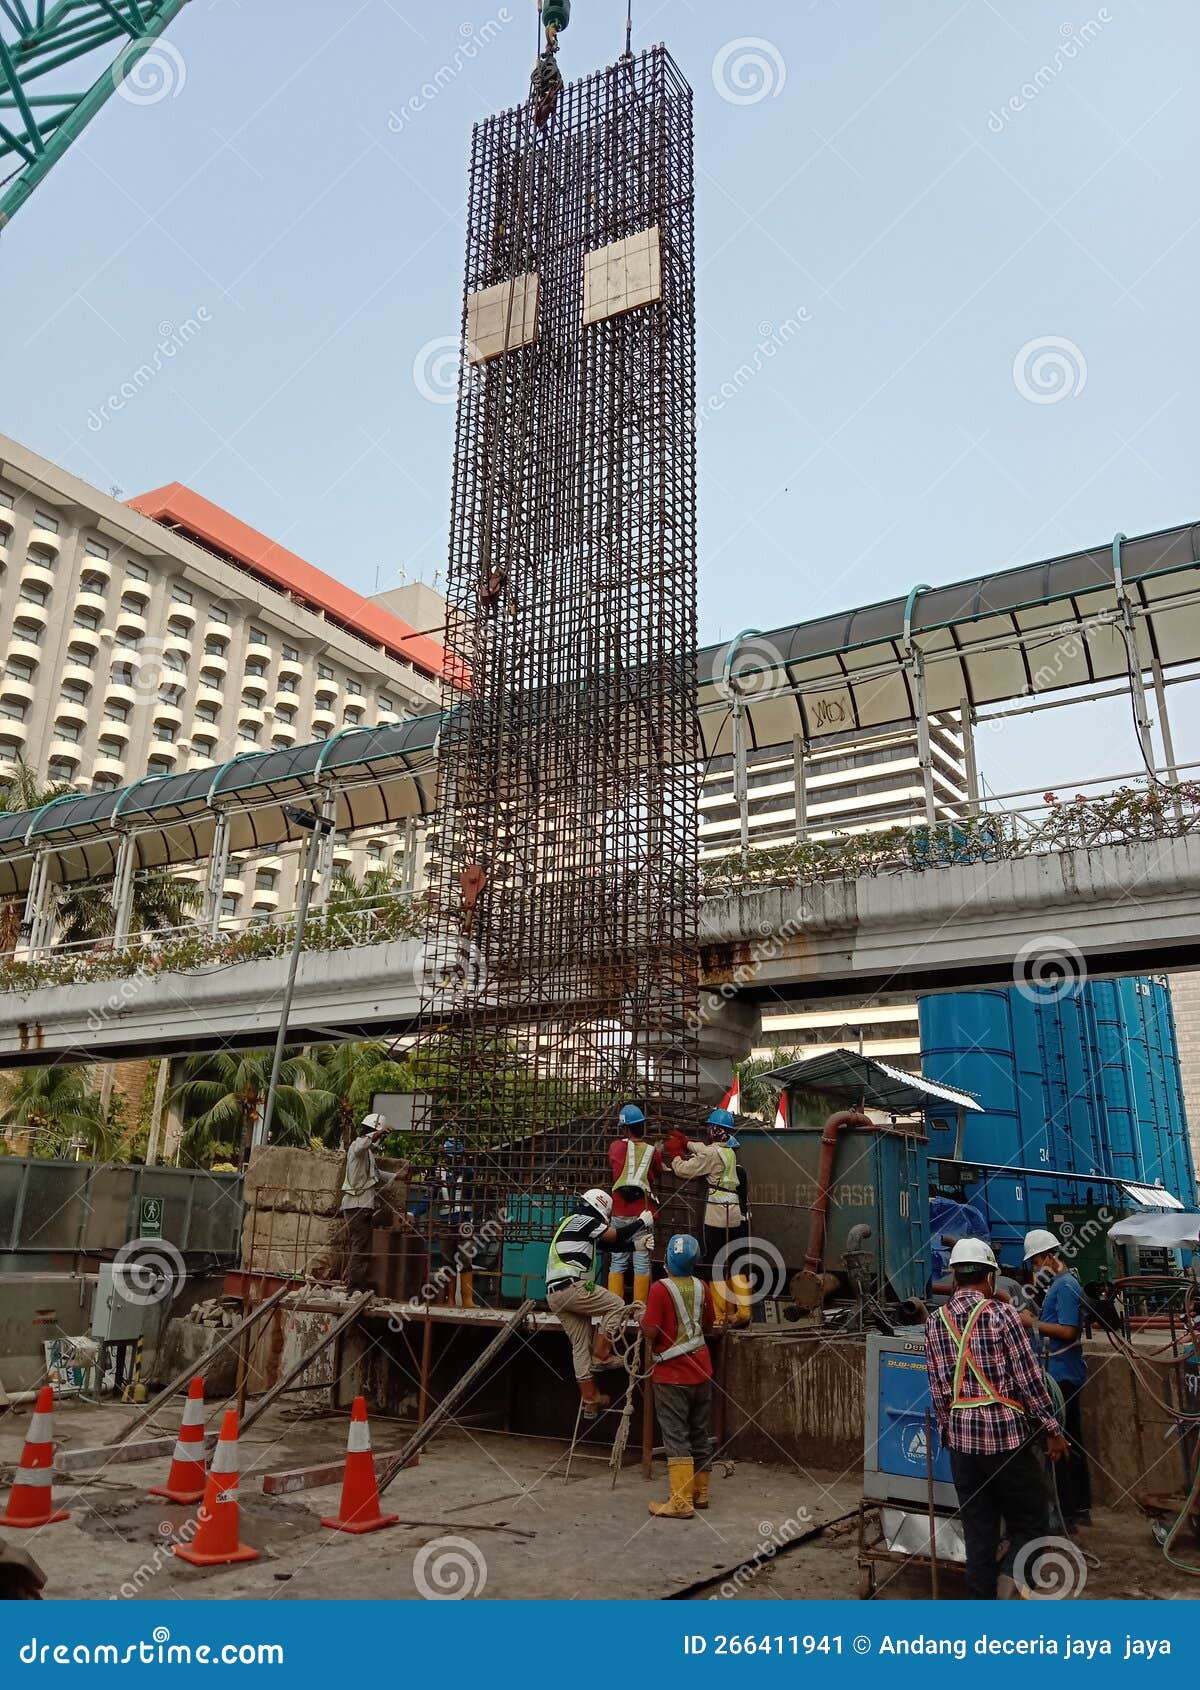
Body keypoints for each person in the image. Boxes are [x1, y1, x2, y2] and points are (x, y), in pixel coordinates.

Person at [924, 1237, 1069, 1600]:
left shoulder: (934, 1322)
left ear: (955, 1277)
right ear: (990, 1278)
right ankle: (1011, 1590)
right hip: (1005, 1442)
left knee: (979, 1532)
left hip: (962, 1448)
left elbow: (939, 1391)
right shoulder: (1001, 1315)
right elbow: (1030, 1378)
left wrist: (949, 1434)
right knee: (1032, 1523)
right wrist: (1052, 1429)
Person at [545, 1187, 654, 1419]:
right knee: (616, 1304)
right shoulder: (584, 1220)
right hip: (573, 1288)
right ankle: (602, 1354)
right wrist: (641, 1223)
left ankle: (590, 1399)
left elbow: (608, 1246)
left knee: (579, 1345)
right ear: (599, 1211)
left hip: (555, 1294)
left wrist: (637, 1245)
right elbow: (614, 1236)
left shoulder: (569, 1223)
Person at [1021, 1228, 1092, 1529]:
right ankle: (1079, 1508)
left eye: (1037, 1262)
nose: (1036, 1268)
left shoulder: (1065, 1286)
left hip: (1062, 1376)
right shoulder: (1060, 1284)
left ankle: (1066, 1514)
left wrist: (1032, 1322)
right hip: (1061, 1372)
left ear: (1048, 1256)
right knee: (1071, 1440)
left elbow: (1068, 1331)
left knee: (1060, 1444)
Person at [642, 1233, 717, 1519]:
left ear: (668, 1261)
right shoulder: (702, 1287)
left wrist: (641, 1318)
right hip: (702, 1370)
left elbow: (650, 1332)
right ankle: (701, 1493)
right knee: (699, 1431)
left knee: (676, 1436)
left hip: (671, 1376)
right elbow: (708, 1325)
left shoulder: (660, 1290)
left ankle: (680, 1502)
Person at [664, 1108, 746, 1273]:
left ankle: (718, 1299)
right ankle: (738, 1298)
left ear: (715, 1129)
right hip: (733, 1215)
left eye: (710, 1127)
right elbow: (706, 1150)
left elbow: (684, 1170)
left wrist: (675, 1155)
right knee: (733, 1263)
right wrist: (686, 1142)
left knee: (714, 1262)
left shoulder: (711, 1154)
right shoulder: (729, 1151)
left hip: (717, 1217)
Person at [608, 1103, 663, 1307]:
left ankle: (615, 1307)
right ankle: (640, 1308)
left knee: (618, 1260)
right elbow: (656, 1173)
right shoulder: (653, 1152)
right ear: (643, 1127)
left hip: (619, 1212)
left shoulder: (615, 1147)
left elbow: (616, 1164)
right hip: (644, 1213)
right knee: (641, 1261)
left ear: (625, 1128)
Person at [339, 1113, 391, 1292]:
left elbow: (377, 1174)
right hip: (356, 1206)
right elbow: (362, 1144)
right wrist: (377, 1133)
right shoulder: (357, 1146)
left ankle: (354, 1285)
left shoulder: (368, 1154)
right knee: (360, 1248)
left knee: (362, 1248)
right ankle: (354, 1289)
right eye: (379, 1135)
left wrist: (399, 1177)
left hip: (363, 1206)